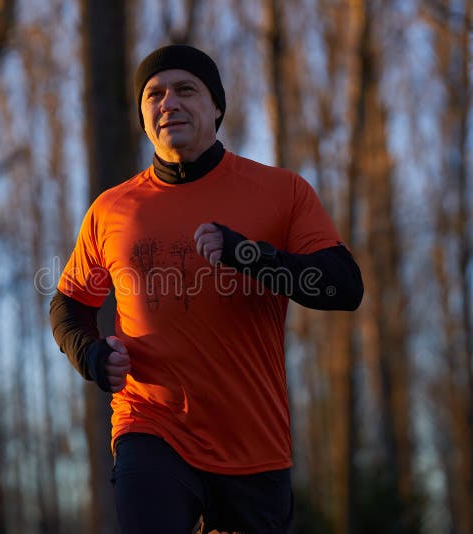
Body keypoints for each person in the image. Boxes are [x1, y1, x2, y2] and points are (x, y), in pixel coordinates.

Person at [50, 44, 363, 534]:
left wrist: (251, 256)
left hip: (252, 442)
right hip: (149, 425)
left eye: (186, 90)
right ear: (143, 116)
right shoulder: (112, 209)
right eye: (154, 94)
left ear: (217, 106)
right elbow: (69, 302)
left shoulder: (282, 192)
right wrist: (90, 356)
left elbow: (344, 286)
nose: (168, 102)